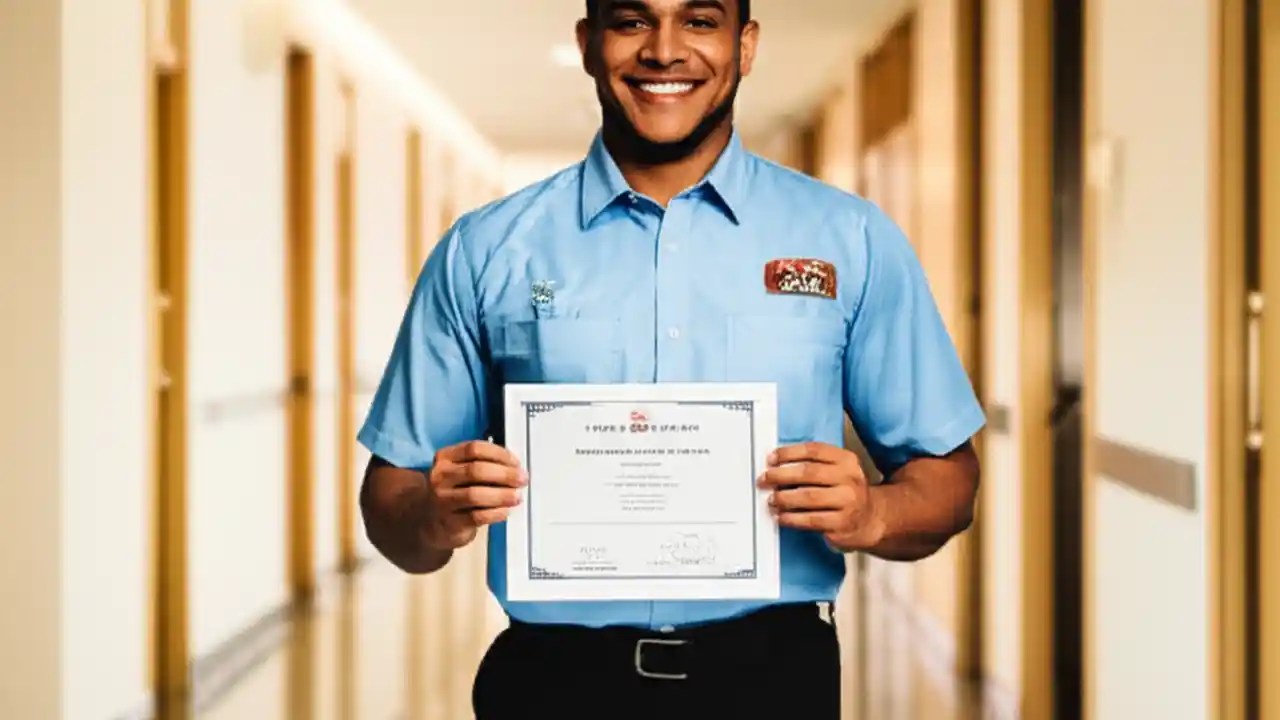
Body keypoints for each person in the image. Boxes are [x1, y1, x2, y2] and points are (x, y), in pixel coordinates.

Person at [357, 0, 985, 717]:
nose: (664, 50)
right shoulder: (486, 251)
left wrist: (874, 512)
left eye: (699, 20)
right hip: (551, 685)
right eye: (632, 22)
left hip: (775, 682)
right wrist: (435, 514)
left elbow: (950, 483)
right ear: (589, 44)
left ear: (744, 45)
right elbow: (388, 502)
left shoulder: (850, 239)